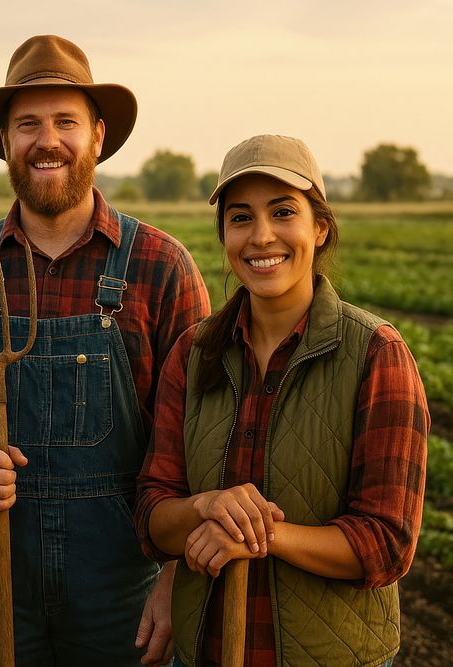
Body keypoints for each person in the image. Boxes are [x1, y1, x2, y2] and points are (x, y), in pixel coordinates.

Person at [0, 35, 210, 665]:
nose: (46, 140)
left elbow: (199, 441)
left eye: (65, 122)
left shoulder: (161, 267)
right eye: (28, 124)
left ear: (98, 136)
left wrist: (175, 578)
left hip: (124, 589)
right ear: (5, 141)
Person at [136, 134, 430, 667]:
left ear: (320, 228)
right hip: (204, 650)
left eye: (283, 212)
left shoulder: (376, 354)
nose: (261, 236)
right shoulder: (194, 353)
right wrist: (204, 506)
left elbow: (387, 543)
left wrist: (259, 535)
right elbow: (154, 513)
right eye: (241, 218)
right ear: (225, 234)